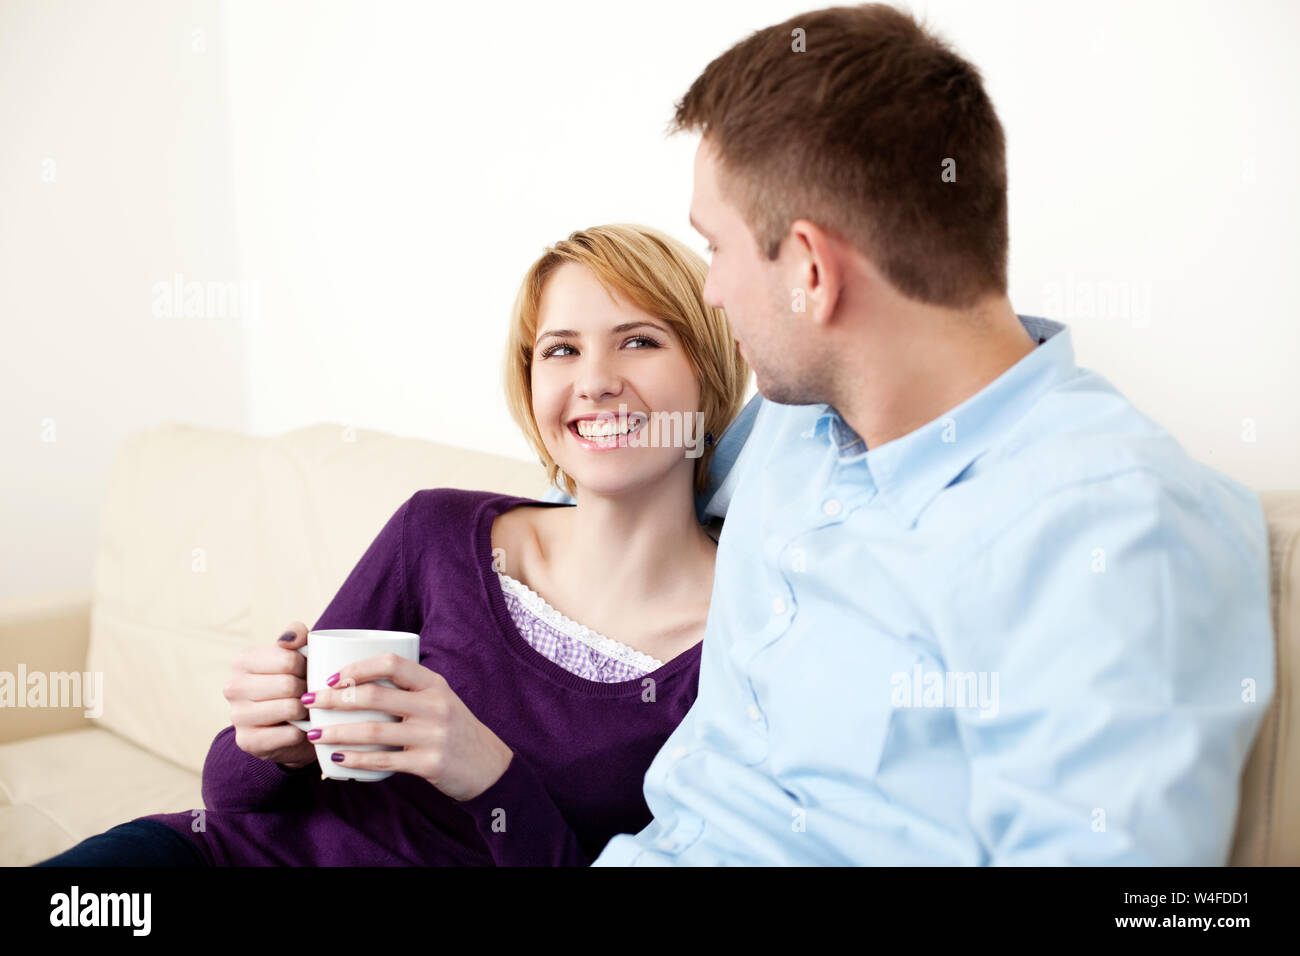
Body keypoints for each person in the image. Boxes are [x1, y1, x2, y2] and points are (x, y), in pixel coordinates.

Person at [574, 5, 1274, 865]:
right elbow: (623, 502)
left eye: (715, 249)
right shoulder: (791, 425)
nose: (711, 292)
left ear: (810, 272)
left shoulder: (1114, 530)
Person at [34, 223, 750, 866]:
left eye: (639, 340)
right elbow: (231, 803)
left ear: (707, 370)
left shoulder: (743, 645)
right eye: (561, 350)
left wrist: (489, 777)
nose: (594, 381)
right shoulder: (437, 533)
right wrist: (273, 742)